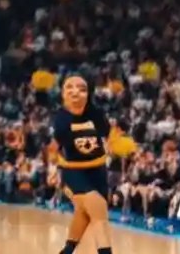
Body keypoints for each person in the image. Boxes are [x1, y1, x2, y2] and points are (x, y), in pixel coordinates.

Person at [53, 75, 116, 254]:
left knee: (85, 212)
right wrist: (53, 170)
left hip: (98, 169)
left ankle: (67, 251)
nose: (75, 92)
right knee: (99, 209)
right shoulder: (60, 119)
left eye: (82, 89)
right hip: (73, 171)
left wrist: (113, 147)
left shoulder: (97, 114)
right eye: (70, 88)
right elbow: (55, 147)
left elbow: (108, 136)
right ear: (62, 94)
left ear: (89, 93)